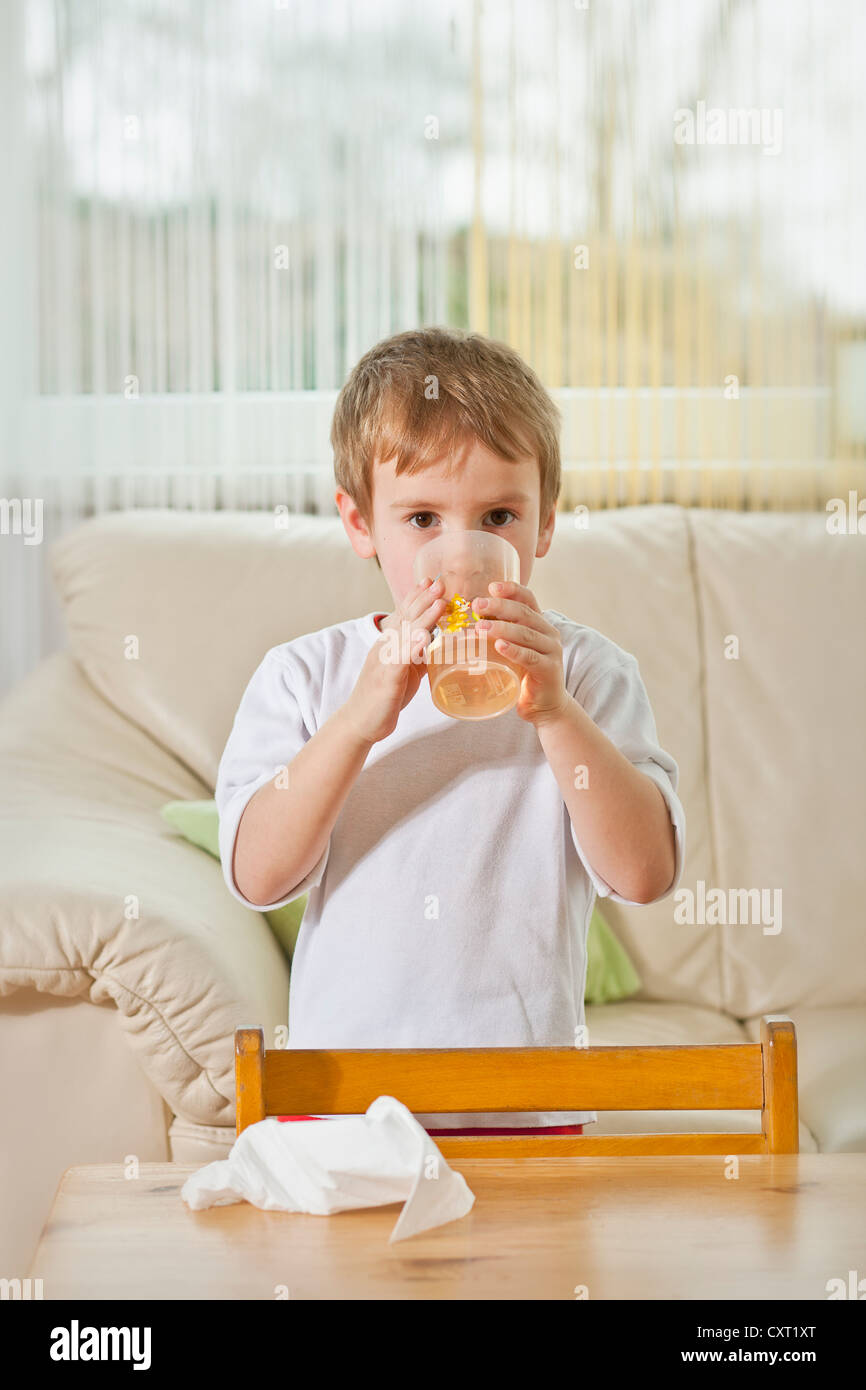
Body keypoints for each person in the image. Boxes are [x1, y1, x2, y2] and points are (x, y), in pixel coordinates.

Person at [215, 326, 686, 1136]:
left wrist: (555, 715)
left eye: (498, 515)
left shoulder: (585, 674)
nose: (461, 559)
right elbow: (258, 877)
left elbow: (644, 874)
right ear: (361, 524)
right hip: (345, 1104)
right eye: (423, 518)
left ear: (543, 525)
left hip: (527, 1103)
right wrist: (361, 720)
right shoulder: (305, 676)